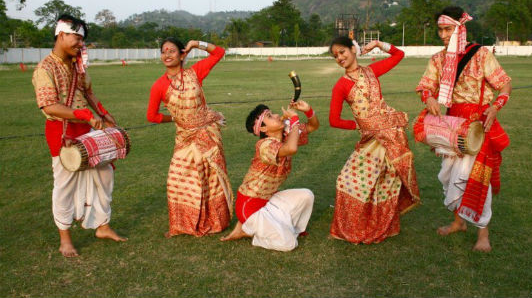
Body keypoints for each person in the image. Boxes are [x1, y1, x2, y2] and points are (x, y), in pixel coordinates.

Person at [416, 6, 512, 252]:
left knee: (478, 179)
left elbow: (504, 84)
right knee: (449, 177)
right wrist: (428, 98)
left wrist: (496, 107)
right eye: (440, 30)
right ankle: (459, 222)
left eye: (447, 29)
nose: (442, 35)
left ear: (460, 28)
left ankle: (483, 234)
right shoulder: (438, 59)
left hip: (479, 127)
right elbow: (425, 86)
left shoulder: (481, 54)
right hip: (452, 126)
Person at [32, 14, 127, 257]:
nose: (80, 44)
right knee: (65, 185)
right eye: (77, 38)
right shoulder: (45, 68)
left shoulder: (78, 65)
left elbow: (89, 93)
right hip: (61, 132)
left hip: (87, 127)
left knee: (104, 175)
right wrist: (84, 115)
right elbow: (49, 106)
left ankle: (102, 226)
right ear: (61, 35)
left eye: (82, 39)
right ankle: (65, 238)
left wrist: (105, 114)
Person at [328, 37, 420, 244]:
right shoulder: (341, 86)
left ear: (353, 50)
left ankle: (383, 226)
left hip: (391, 135)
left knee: (386, 183)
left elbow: (399, 55)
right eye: (335, 56)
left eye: (342, 52)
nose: (340, 58)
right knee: (347, 181)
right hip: (370, 140)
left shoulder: (372, 71)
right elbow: (333, 120)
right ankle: (358, 226)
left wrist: (379, 44)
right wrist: (360, 125)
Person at [147, 37, 233, 237]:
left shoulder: (195, 73)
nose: (167, 55)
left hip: (207, 134)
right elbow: (152, 116)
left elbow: (219, 52)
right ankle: (182, 225)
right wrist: (177, 119)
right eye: (164, 51)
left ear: (182, 54)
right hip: (184, 137)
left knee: (209, 178)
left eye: (172, 51)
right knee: (176, 181)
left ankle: (216, 222)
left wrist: (196, 44)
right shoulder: (159, 85)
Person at [220, 100, 319, 251]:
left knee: (307, 195)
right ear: (264, 128)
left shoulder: (286, 135)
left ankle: (275, 227)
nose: (277, 115)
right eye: (270, 116)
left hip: (268, 200)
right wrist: (294, 121)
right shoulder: (264, 145)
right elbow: (291, 148)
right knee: (289, 244)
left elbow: (313, 126)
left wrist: (308, 110)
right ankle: (249, 231)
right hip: (250, 206)